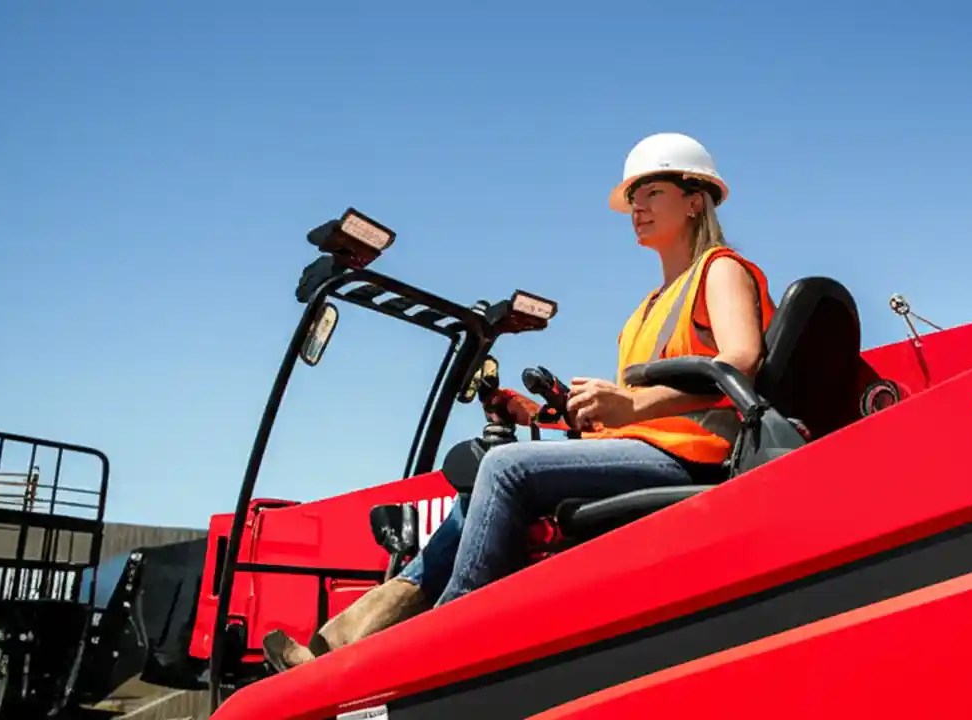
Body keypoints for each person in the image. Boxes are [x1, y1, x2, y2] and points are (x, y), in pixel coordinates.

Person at [261, 131, 776, 670]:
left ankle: (441, 647)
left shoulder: (722, 270)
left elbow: (740, 362)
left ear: (695, 199)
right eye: (632, 197)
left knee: (505, 469)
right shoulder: (646, 308)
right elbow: (630, 414)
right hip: (653, 449)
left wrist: (631, 408)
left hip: (699, 455)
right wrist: (540, 415)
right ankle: (339, 643)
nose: (636, 207)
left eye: (652, 192)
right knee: (476, 492)